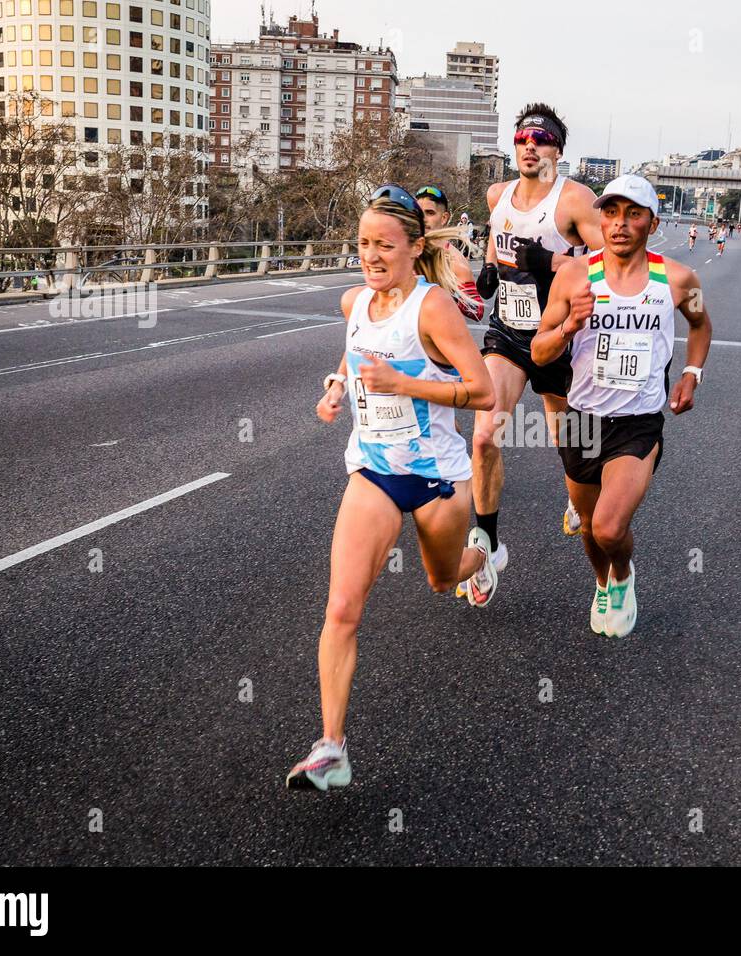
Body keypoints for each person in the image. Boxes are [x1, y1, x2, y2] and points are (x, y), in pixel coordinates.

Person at [286, 184, 499, 791]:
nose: (371, 256)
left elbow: (481, 392)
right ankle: (331, 746)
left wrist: (405, 387)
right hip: (375, 472)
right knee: (342, 608)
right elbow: (356, 359)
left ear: (413, 248)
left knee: (441, 578)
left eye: (385, 245)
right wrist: (336, 387)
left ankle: (483, 555)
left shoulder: (433, 309)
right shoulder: (357, 303)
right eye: (363, 244)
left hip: (436, 479)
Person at [531, 174, 712, 637]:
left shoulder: (676, 279)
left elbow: (700, 325)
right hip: (579, 421)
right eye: (611, 213)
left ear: (651, 223)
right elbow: (539, 351)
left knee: (611, 529)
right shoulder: (574, 276)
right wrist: (570, 325)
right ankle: (602, 583)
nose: (620, 224)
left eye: (633, 214)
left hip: (637, 423)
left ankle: (625, 577)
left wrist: (692, 373)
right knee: (589, 529)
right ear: (601, 219)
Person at [469, 102, 605, 570]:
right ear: (514, 145)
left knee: (566, 439)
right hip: (506, 332)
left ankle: (576, 492)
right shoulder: (496, 194)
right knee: (486, 435)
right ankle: (487, 542)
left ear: (557, 149)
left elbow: (613, 266)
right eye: (524, 138)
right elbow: (496, 233)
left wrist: (547, 262)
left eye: (541, 138)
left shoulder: (574, 201)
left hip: (559, 335)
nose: (531, 145)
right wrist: (489, 267)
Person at [416, 184, 483, 322]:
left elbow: (477, 311)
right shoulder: (405, 250)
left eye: (430, 213)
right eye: (418, 213)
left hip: (435, 337)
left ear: (444, 218)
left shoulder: (455, 260)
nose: (423, 218)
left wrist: (447, 292)